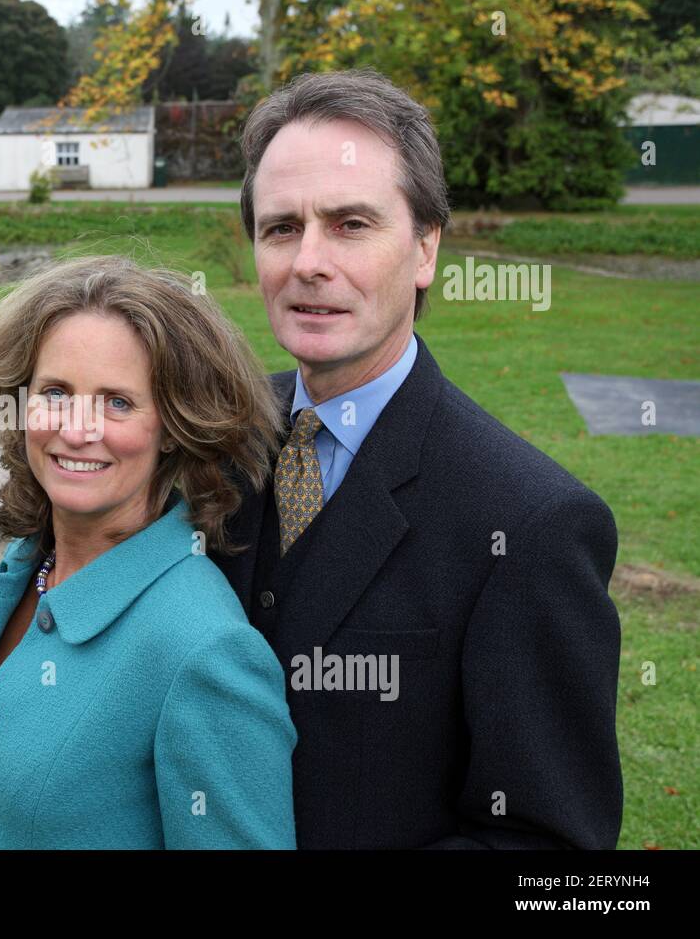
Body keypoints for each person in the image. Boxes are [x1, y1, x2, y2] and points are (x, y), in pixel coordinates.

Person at [209, 68, 623, 848]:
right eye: (281, 228)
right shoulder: (214, 443)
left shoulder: (528, 523)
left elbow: (550, 850)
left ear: (427, 247)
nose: (308, 262)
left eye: (351, 224)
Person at [0, 255, 297, 849]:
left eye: (118, 402)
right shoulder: (26, 565)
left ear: (174, 428)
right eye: (56, 391)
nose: (78, 429)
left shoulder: (204, 651)